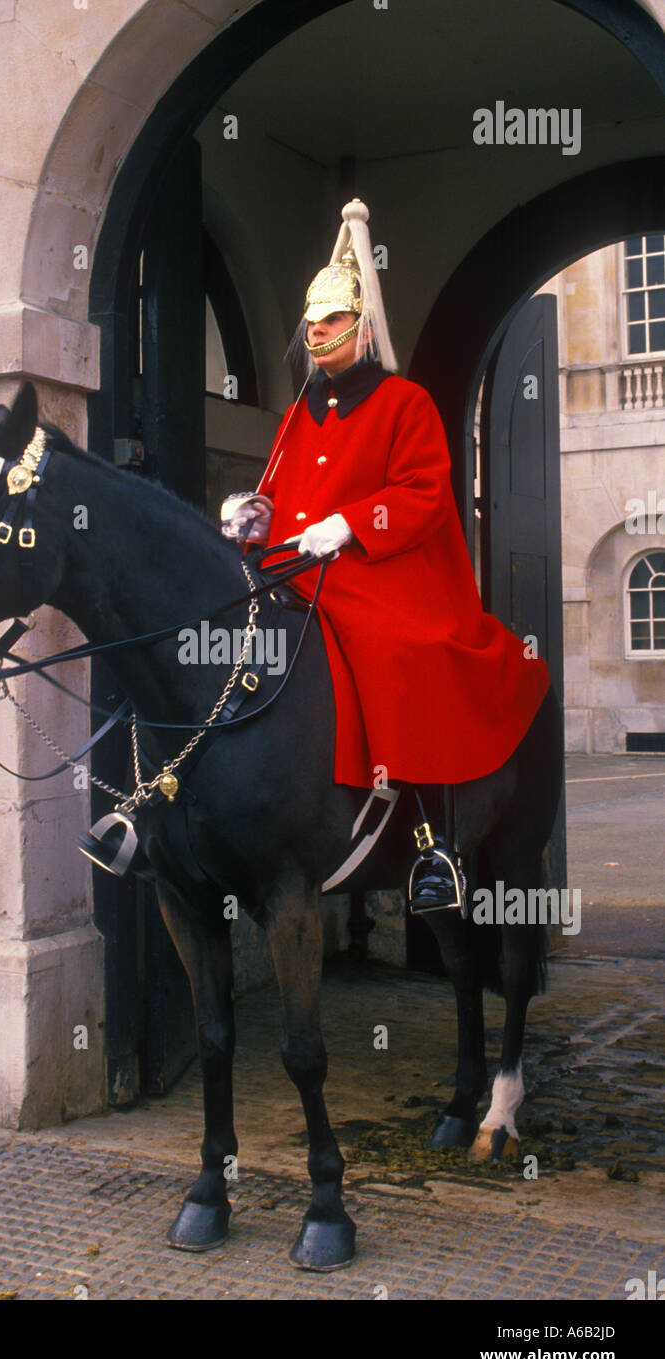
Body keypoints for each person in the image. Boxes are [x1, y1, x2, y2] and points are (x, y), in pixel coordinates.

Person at [224, 199, 551, 914]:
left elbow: (426, 494)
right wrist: (253, 518)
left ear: (362, 327)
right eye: (311, 319)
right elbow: (278, 495)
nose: (317, 330)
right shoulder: (296, 413)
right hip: (293, 571)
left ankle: (433, 841)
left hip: (383, 573)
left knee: (399, 650)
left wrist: (350, 524)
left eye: (333, 318)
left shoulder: (406, 403)